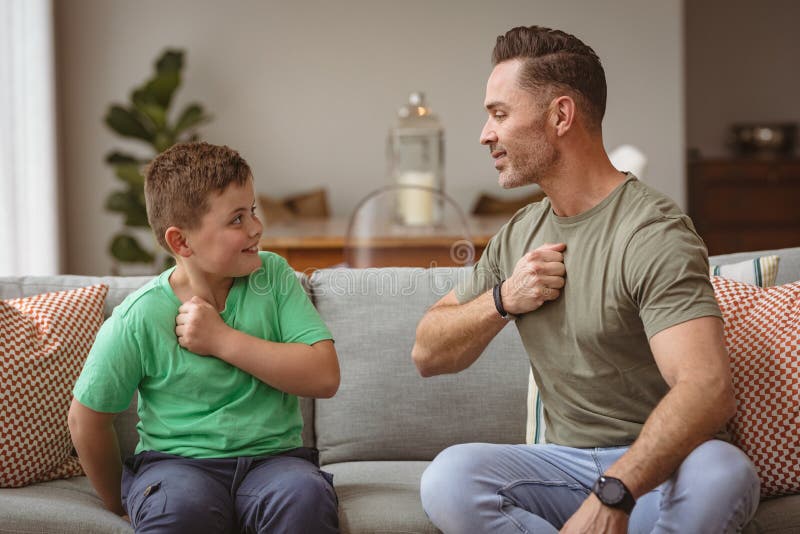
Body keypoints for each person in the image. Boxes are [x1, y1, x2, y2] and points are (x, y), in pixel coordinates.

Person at [412, 26, 760, 533]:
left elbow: (707, 388)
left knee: (724, 472)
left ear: (560, 116)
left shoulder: (652, 231)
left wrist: (614, 492)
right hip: (563, 466)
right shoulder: (519, 236)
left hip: (662, 470)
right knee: (450, 477)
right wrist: (504, 298)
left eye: (499, 114)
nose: (485, 134)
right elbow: (427, 352)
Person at [68, 142, 340, 533]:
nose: (256, 228)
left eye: (253, 212)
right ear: (181, 242)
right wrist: (119, 501)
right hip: (175, 467)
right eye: (236, 219)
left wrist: (221, 340)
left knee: (306, 497)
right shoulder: (139, 315)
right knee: (176, 511)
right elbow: (85, 420)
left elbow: (324, 376)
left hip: (276, 463)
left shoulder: (273, 277)